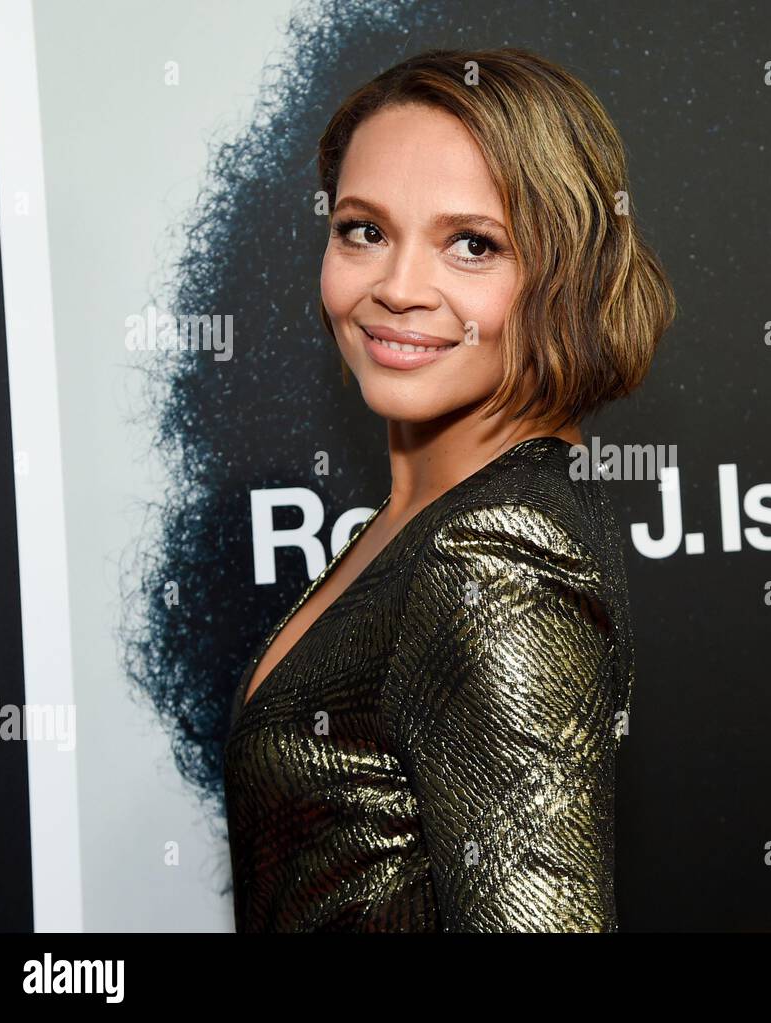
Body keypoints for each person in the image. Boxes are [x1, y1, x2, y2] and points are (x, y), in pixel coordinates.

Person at [222, 46, 676, 932]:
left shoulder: (498, 556)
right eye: (364, 230)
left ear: (564, 276)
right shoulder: (422, 515)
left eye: (472, 245)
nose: (397, 289)